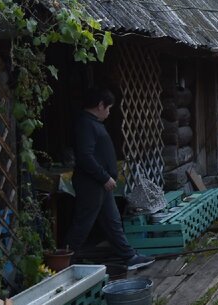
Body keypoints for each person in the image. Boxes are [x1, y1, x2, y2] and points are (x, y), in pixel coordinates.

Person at [65, 88, 154, 270]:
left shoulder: (93, 123)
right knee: (83, 223)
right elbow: (85, 156)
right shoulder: (85, 124)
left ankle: (128, 257)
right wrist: (104, 176)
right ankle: (65, 261)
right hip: (91, 183)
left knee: (112, 221)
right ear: (100, 105)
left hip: (101, 184)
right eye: (109, 108)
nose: (108, 112)